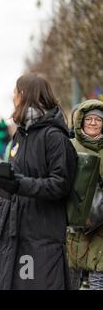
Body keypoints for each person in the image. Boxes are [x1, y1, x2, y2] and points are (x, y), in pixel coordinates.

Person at [0, 73, 77, 290]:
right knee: (15, 283)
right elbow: (11, 179)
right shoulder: (20, 134)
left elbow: (60, 184)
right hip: (14, 228)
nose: (12, 96)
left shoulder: (55, 137)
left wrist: (21, 184)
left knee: (37, 284)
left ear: (25, 95)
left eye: (15, 91)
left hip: (42, 232)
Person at [66, 99, 103, 290]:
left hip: (100, 227)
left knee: (99, 277)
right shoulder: (69, 146)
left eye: (98, 119)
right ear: (81, 121)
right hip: (72, 226)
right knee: (70, 276)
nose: (93, 123)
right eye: (89, 119)